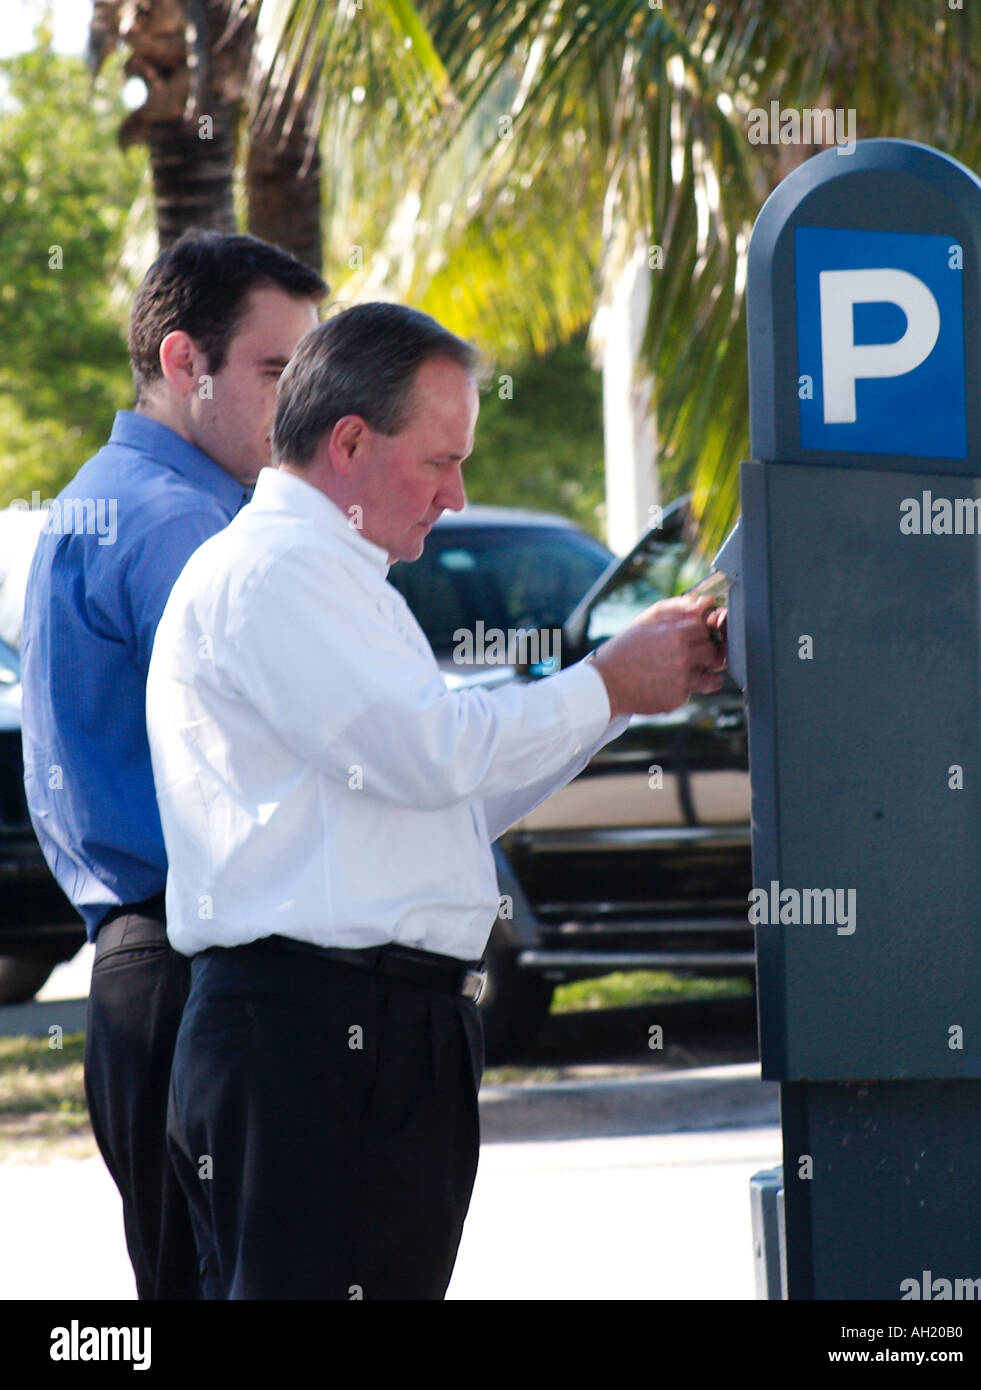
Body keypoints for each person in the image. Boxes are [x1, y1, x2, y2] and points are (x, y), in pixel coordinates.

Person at [145, 302, 727, 1300]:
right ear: (350, 441)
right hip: (314, 1036)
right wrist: (605, 681)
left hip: (349, 1033)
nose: (456, 495)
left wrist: (623, 691)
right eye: (439, 462)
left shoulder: (331, 572)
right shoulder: (281, 568)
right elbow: (433, 754)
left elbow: (453, 797)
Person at [20, 229, 328, 1300]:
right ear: (184, 362)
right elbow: (300, 747)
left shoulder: (111, 496)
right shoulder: (177, 524)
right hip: (200, 965)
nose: (296, 406)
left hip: (146, 968)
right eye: (276, 371)